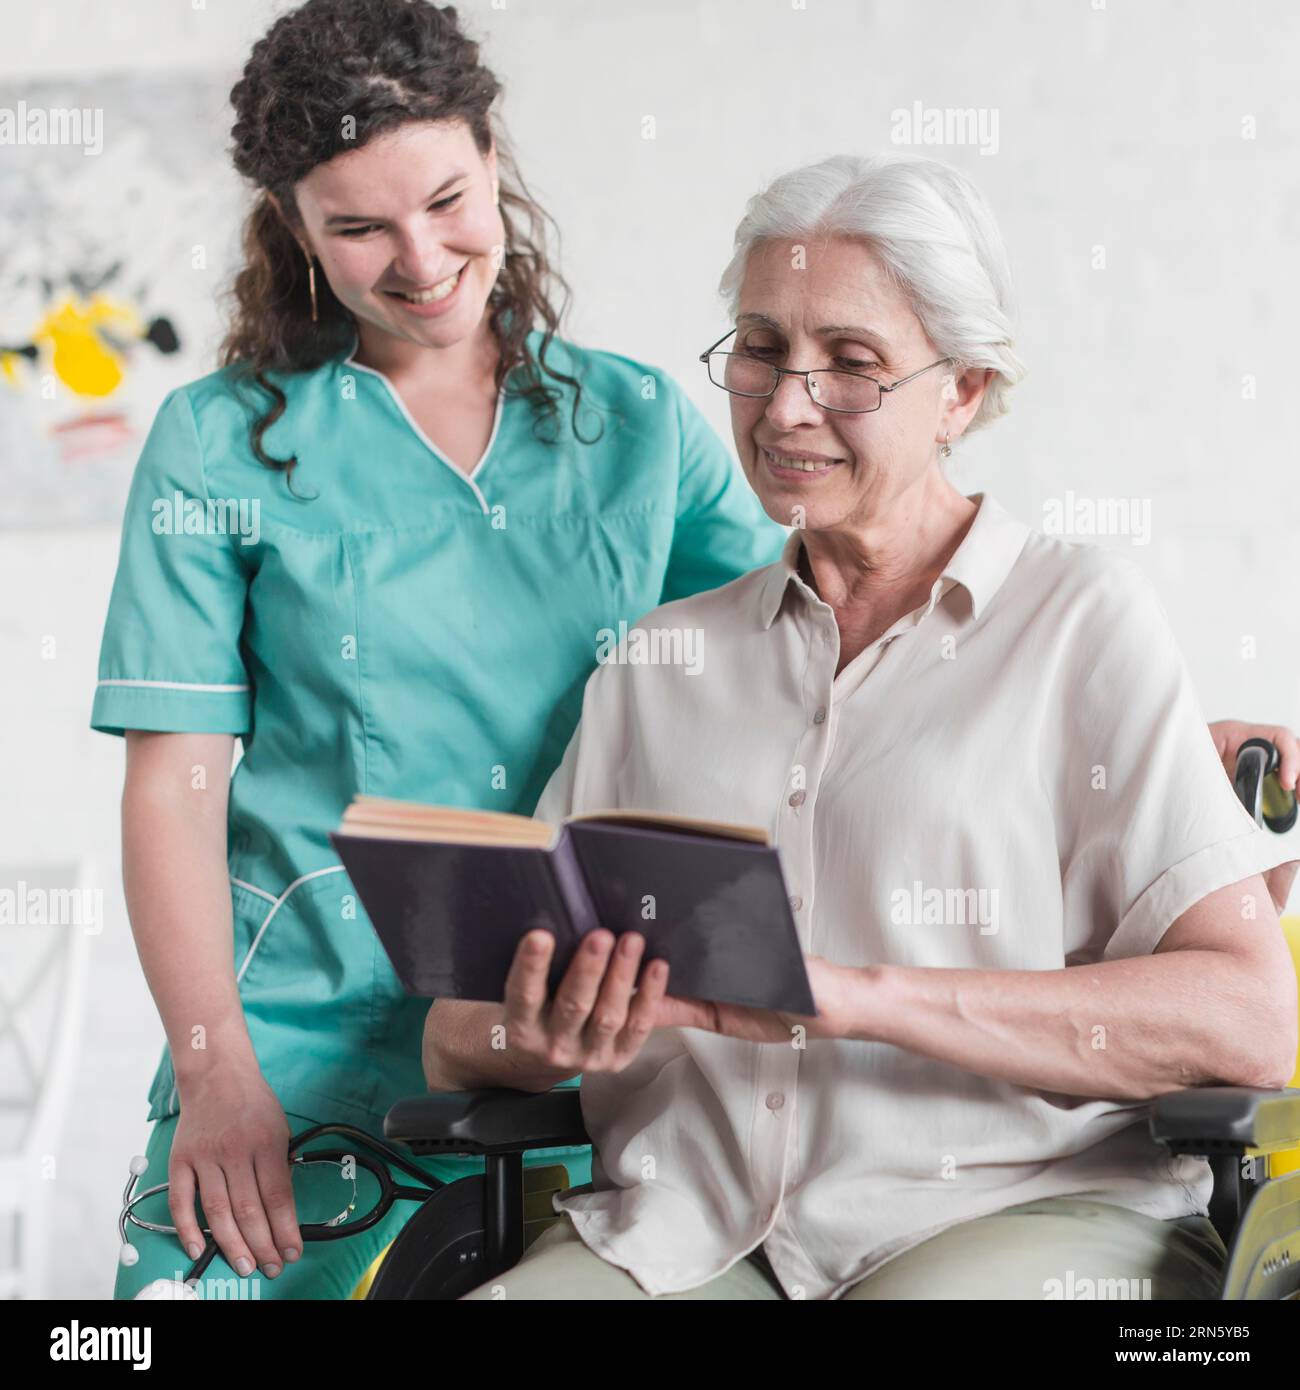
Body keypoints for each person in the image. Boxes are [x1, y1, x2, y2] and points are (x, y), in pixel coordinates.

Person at [427, 153, 1300, 1301]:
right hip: (687, 1233)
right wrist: (544, 1032)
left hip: (1010, 1211)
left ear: (962, 391)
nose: (787, 405)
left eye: (851, 363)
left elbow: (1246, 1021)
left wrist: (857, 994)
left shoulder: (1079, 620)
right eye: (760, 348)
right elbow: (454, 1032)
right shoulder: (656, 664)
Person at [95, 0, 783, 1300]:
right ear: (293, 226)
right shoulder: (218, 444)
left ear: (491, 157)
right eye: (358, 227)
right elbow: (171, 788)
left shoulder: (637, 426)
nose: (420, 259)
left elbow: (822, 654)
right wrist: (214, 1067)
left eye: (448, 200)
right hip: (286, 1050)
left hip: (559, 1053)